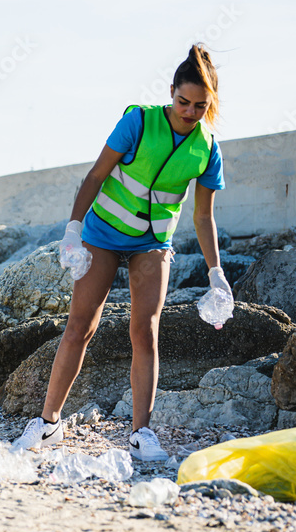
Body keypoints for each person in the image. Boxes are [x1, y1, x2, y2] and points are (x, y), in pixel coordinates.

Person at [13, 44, 231, 461]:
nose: (189, 112)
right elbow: (96, 175)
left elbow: (203, 218)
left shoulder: (207, 149)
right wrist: (73, 230)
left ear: (210, 104)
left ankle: (141, 433)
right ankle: (48, 423)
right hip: (103, 233)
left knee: (145, 331)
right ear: (171, 92)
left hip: (153, 242)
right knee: (81, 326)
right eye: (183, 102)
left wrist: (215, 273)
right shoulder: (139, 122)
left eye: (200, 106)